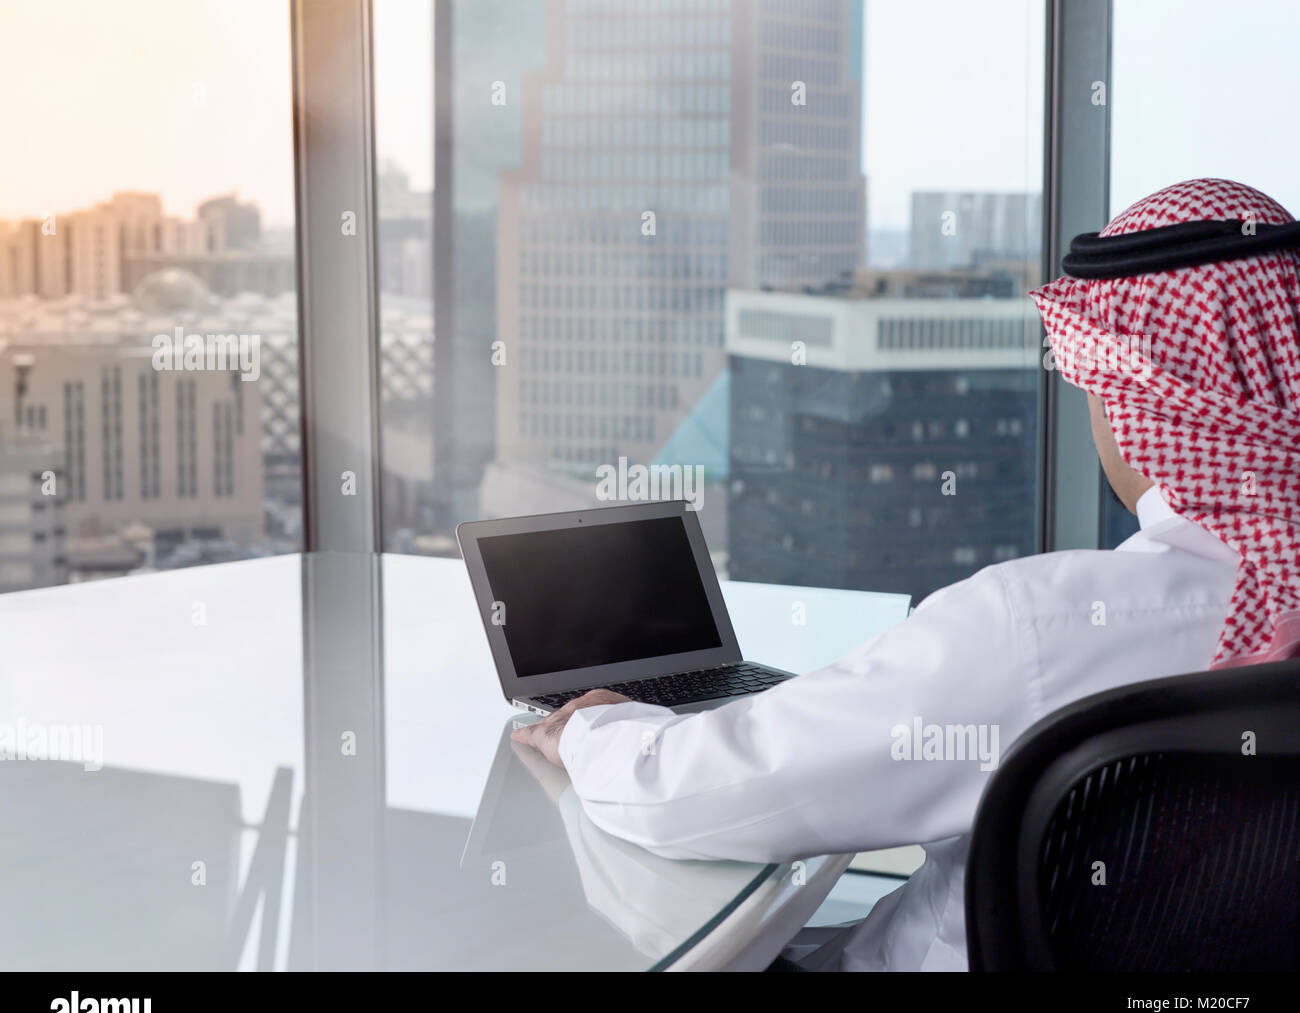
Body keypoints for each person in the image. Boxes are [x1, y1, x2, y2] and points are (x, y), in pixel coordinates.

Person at [511, 178, 1300, 971]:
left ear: (1138, 399)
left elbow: (692, 794)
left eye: (1093, 386)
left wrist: (588, 730)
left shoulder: (1039, 628)